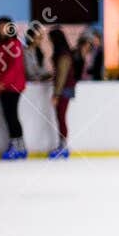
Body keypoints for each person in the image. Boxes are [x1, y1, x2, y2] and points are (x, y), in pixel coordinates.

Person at [0, 17, 28, 160]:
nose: (0, 29)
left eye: (3, 26)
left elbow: (15, 67)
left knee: (12, 115)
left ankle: (19, 146)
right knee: (9, 116)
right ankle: (17, 145)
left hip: (13, 86)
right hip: (3, 87)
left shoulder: (15, 44)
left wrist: (4, 82)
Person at [48, 27, 80, 159]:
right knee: (60, 116)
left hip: (64, 89)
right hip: (66, 88)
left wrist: (56, 94)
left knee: (61, 116)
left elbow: (62, 76)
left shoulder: (63, 55)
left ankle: (63, 146)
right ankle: (62, 144)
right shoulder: (64, 53)